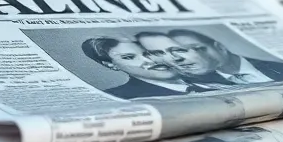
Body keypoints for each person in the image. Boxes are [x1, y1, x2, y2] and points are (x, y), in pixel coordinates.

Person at [81, 36, 220, 99]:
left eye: (149, 53)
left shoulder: (215, 75)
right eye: (129, 57)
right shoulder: (119, 97)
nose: (149, 60)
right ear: (110, 65)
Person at [166, 29, 283, 84]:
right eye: (176, 53)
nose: (189, 57)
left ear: (220, 47)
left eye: (195, 48)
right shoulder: (200, 86)